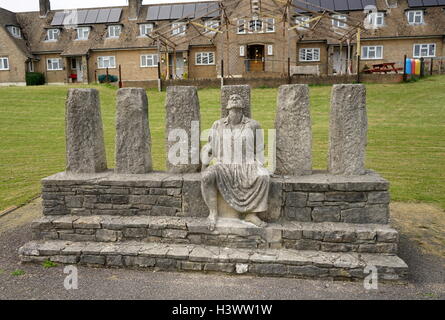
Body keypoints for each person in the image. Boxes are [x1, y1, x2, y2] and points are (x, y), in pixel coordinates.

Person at [201, 94, 270, 230]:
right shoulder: (217, 124)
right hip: (223, 165)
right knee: (207, 177)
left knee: (264, 176)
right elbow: (210, 147)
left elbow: (260, 148)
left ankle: (252, 214)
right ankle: (213, 213)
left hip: (247, 164)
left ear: (243, 105)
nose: (234, 99)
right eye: (231, 98)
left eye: (237, 98)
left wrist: (261, 165)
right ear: (227, 107)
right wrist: (204, 166)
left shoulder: (254, 125)